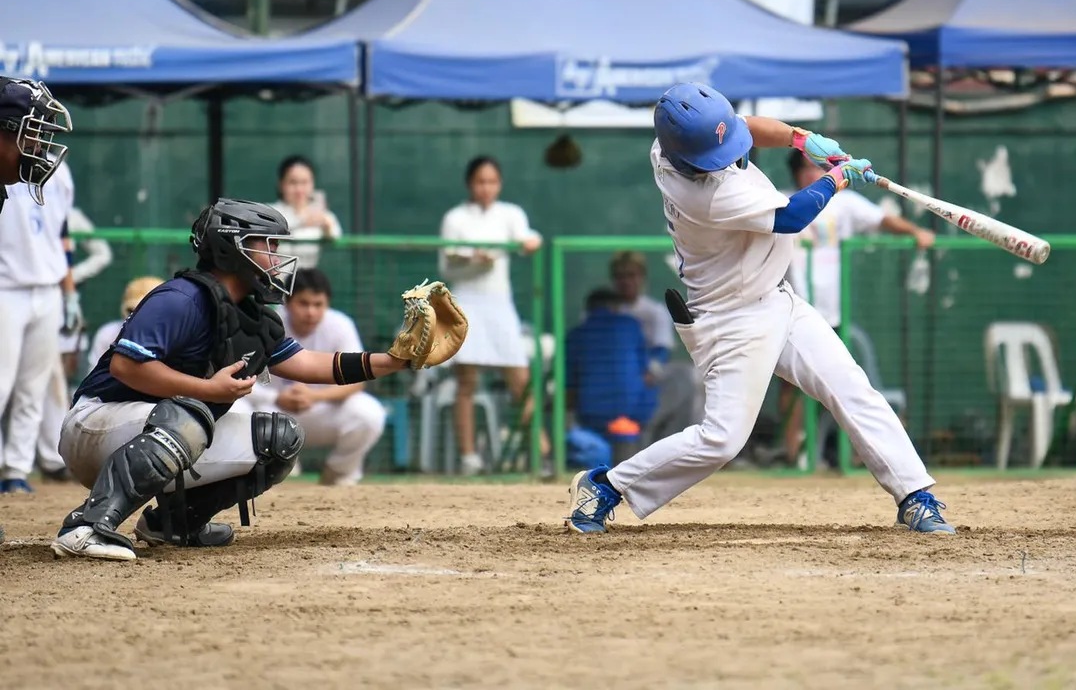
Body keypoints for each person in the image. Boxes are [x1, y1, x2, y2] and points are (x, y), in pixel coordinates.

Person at [564, 82, 955, 536]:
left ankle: (914, 495)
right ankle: (606, 485)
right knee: (722, 439)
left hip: (778, 299)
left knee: (851, 388)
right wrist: (837, 180)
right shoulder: (707, 196)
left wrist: (803, 139)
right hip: (730, 319)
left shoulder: (671, 141)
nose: (730, 152)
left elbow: (745, 128)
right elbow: (791, 216)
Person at [51, 198, 465, 562]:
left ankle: (174, 522)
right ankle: (87, 525)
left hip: (158, 431)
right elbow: (126, 368)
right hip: (95, 425)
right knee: (192, 414)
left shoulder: (249, 315)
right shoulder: (179, 299)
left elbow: (308, 365)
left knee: (279, 438)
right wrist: (206, 390)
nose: (277, 255)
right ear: (233, 248)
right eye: (267, 244)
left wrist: (393, 361)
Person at [778, 149, 936, 466]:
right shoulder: (782, 201)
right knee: (789, 386)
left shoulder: (844, 203)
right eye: (805, 169)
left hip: (832, 312)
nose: (810, 174)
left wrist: (915, 231)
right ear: (795, 173)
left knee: (836, 382)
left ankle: (840, 455)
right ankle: (791, 455)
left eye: (816, 168)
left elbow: (882, 219)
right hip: (788, 307)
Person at [0, 76, 74, 542]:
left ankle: (16, 469)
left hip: (45, 286)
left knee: (31, 390)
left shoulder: (44, 178)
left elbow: (61, 234)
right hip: (6, 288)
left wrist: (69, 291)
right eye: (28, 133)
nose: (37, 147)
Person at [234, 268, 386, 486]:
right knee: (237, 410)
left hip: (321, 409)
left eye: (318, 305)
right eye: (303, 303)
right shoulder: (265, 321)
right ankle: (270, 472)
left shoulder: (340, 325)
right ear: (287, 301)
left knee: (368, 413)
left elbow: (357, 382)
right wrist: (275, 399)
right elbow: (239, 378)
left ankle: (337, 473)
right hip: (273, 411)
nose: (311, 312)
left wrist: (315, 398)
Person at [438, 155, 541, 476]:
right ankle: (469, 457)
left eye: (492, 181)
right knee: (466, 382)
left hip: (500, 305)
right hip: (465, 303)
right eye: (480, 181)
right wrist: (472, 259)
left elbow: (528, 238)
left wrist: (529, 242)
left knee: (521, 382)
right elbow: (446, 265)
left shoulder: (510, 214)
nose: (486, 188)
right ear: (470, 183)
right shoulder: (454, 217)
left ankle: (540, 453)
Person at [38, 200, 114, 481]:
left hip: (54, 300)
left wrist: (67, 281)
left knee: (55, 380)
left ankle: (51, 459)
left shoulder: (67, 207)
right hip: (17, 291)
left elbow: (102, 254)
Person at [608, 251, 701, 444]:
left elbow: (661, 351)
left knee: (691, 376)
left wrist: (646, 373)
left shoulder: (654, 311)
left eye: (632, 275)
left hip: (646, 377)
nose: (626, 281)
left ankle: (691, 444)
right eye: (620, 276)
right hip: (611, 376)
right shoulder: (604, 311)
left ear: (641, 277)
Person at [566, 288, 656, 447]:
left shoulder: (576, 334)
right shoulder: (631, 325)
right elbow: (646, 373)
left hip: (592, 416)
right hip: (634, 413)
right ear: (614, 306)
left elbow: (570, 385)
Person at [271, 154, 342, 269]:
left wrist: (327, 226)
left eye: (304, 182)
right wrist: (302, 221)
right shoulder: (271, 212)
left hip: (306, 282)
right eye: (293, 182)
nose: (299, 189)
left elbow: (336, 236)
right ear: (281, 184)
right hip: (275, 281)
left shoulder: (322, 215)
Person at [85, 276, 166, 371]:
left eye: (147, 311)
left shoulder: (176, 340)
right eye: (132, 311)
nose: (139, 318)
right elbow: (94, 379)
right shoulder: (108, 334)